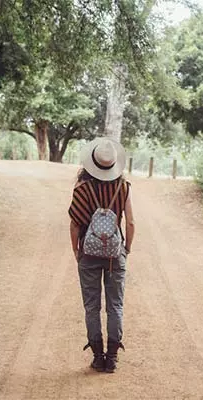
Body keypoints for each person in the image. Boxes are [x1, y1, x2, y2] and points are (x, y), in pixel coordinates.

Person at [68, 137, 135, 373]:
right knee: (115, 306)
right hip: (115, 255)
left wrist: (77, 251)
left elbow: (75, 224)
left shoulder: (82, 189)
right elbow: (130, 224)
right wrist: (125, 250)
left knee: (92, 307)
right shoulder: (124, 187)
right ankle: (113, 359)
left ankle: (98, 356)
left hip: (89, 253)